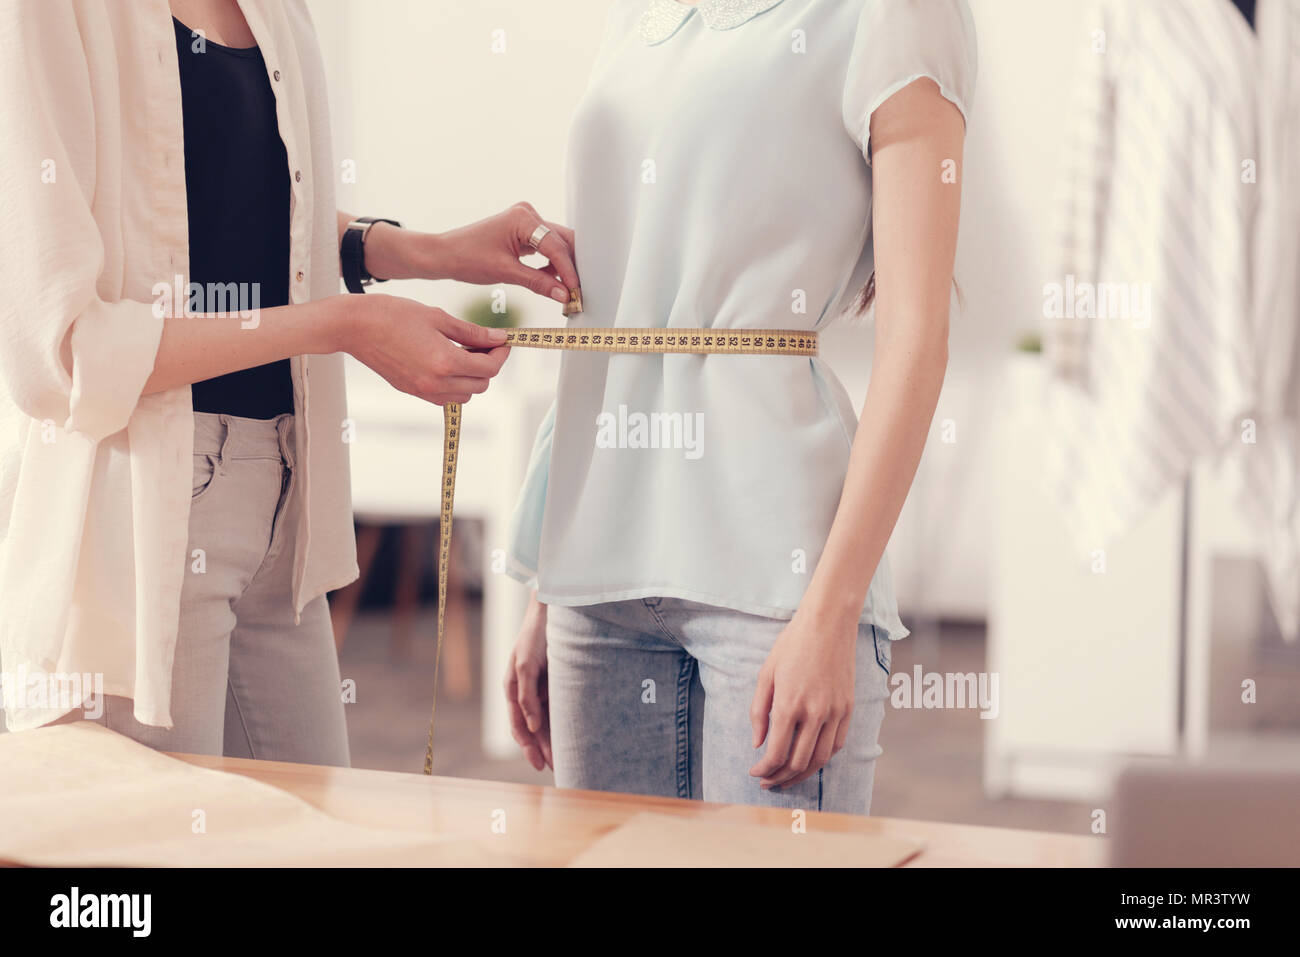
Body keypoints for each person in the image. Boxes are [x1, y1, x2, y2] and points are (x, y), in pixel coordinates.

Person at [0, 0, 578, 765]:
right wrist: (343, 327)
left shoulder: (278, 8)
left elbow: (239, 214)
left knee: (312, 838)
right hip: (146, 519)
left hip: (289, 505)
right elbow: (61, 346)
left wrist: (431, 251)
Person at [503, 0, 976, 814]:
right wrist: (550, 579)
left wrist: (829, 615)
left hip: (775, 577)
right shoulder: (638, 14)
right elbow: (616, 304)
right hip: (597, 573)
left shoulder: (895, 12)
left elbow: (916, 339)